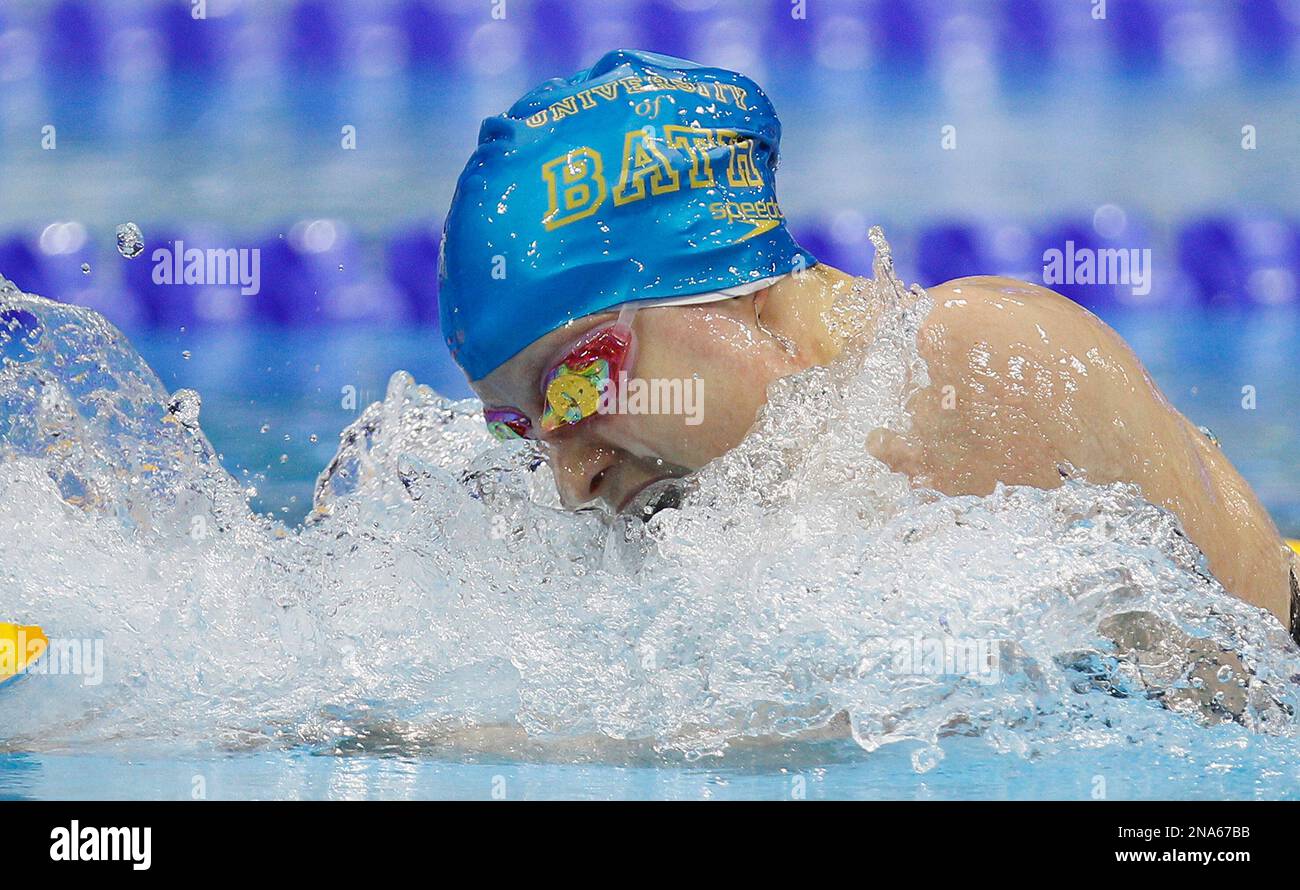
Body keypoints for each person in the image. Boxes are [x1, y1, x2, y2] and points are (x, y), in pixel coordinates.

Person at [438, 49, 1298, 638]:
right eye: (521, 428)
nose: (570, 480)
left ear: (726, 284)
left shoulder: (980, 364)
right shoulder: (720, 507)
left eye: (579, 385)